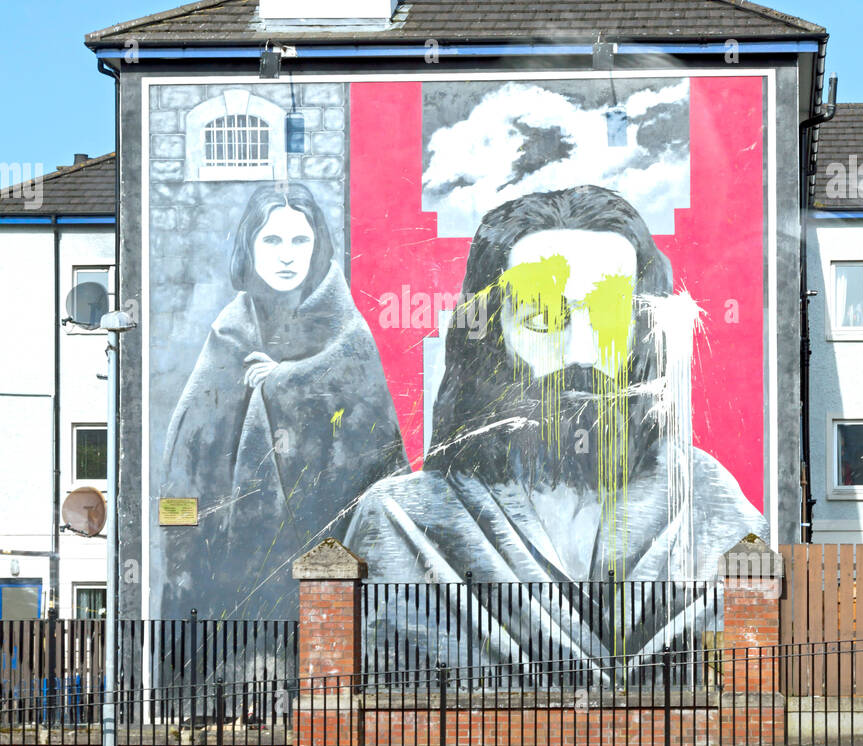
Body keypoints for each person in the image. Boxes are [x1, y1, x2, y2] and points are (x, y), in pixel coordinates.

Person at [345, 185, 768, 667]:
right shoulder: (403, 522)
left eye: (610, 315)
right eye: (544, 319)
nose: (583, 353)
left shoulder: (711, 506)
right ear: (488, 338)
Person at [160, 183, 406, 619]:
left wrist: (285, 383)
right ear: (249, 246)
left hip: (332, 568)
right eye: (272, 239)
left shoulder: (349, 337)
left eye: (300, 240)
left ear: (317, 247)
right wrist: (181, 555)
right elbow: (188, 458)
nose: (287, 255)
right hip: (233, 579)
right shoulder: (229, 334)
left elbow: (378, 457)